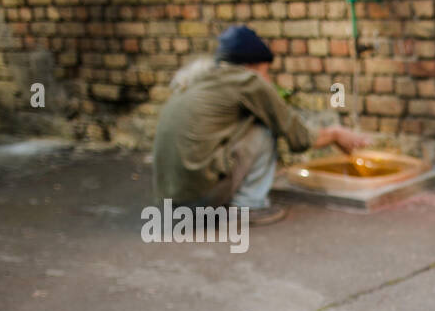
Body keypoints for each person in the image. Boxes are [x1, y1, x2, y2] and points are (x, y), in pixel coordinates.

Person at [152, 25, 368, 225]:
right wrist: (336, 134)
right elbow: (298, 135)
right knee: (264, 129)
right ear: (251, 66)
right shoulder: (247, 81)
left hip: (170, 204)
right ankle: (248, 207)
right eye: (266, 71)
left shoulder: (200, 78)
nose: (267, 79)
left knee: (246, 124)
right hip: (199, 201)